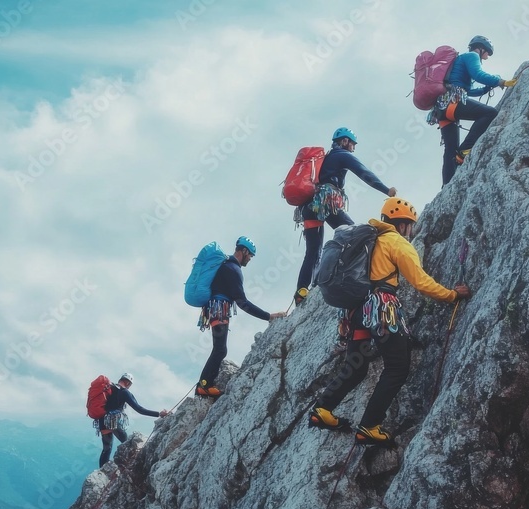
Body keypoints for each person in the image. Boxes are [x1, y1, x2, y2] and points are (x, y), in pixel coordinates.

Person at [307, 197, 472, 447]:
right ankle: (370, 426)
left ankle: (323, 410)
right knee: (397, 367)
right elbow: (420, 281)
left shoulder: (370, 239)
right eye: (410, 226)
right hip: (381, 309)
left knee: (357, 366)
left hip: (356, 313)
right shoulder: (396, 242)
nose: (411, 231)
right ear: (404, 224)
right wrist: (451, 295)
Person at [293, 128, 397, 306]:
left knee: (313, 251)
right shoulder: (342, 155)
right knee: (358, 234)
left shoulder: (326, 158)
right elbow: (363, 172)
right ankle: (349, 274)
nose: (353, 148)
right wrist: (386, 190)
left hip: (309, 207)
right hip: (325, 203)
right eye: (352, 144)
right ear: (344, 141)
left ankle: (302, 291)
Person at [196, 236, 287, 397]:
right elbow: (242, 302)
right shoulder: (233, 269)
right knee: (220, 349)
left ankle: (204, 383)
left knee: (219, 349)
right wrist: (268, 316)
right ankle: (204, 385)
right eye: (250, 255)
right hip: (219, 308)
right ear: (244, 251)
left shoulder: (226, 266)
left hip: (215, 308)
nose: (250, 259)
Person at [437, 35, 516, 185]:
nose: (486, 57)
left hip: (442, 109)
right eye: (487, 54)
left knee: (450, 151)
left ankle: (447, 185)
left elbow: (470, 91)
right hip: (452, 102)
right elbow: (478, 75)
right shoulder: (472, 55)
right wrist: (500, 81)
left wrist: (488, 87)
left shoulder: (462, 61)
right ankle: (465, 150)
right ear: (481, 49)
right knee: (490, 113)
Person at [98, 373, 169, 468]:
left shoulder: (109, 388)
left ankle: (102, 472)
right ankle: (130, 467)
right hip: (112, 421)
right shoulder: (124, 392)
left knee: (107, 448)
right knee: (128, 443)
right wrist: (158, 414)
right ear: (128, 383)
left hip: (102, 420)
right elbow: (139, 409)